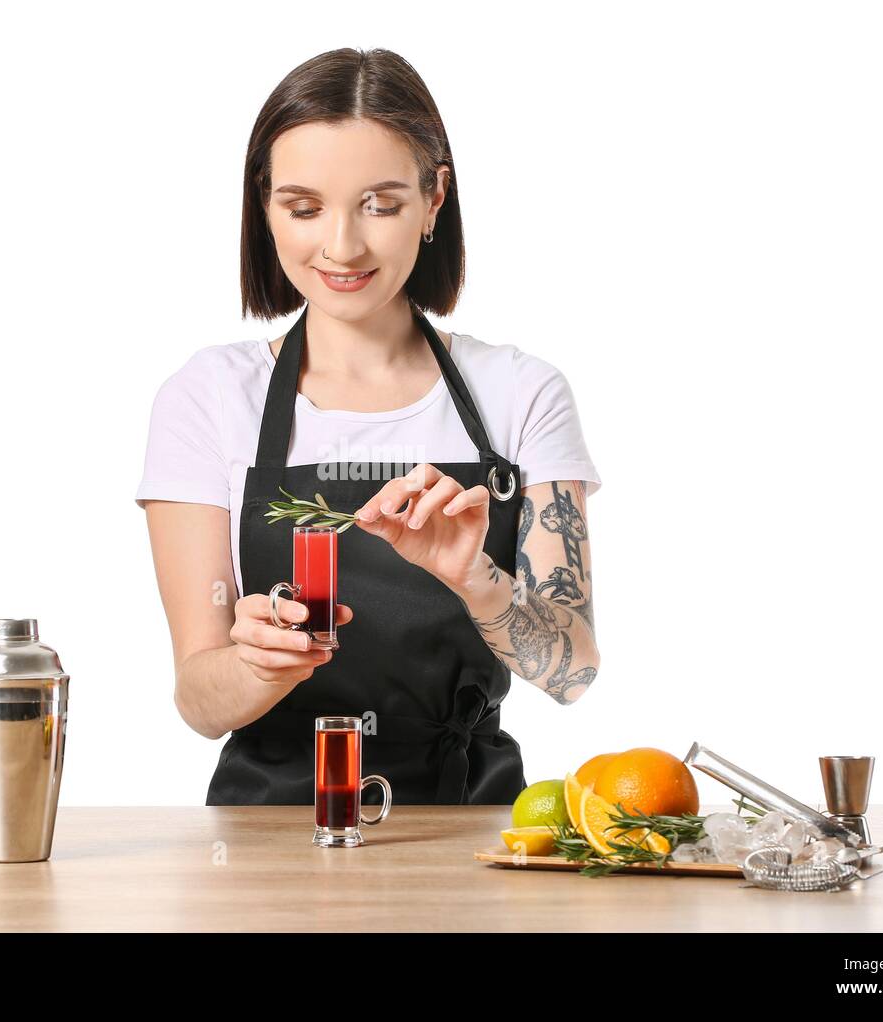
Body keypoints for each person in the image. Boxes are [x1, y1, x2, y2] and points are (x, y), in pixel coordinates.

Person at [136, 47, 602, 805]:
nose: (342, 246)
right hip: (270, 836)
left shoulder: (520, 392)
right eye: (304, 206)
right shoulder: (209, 396)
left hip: (470, 834)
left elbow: (573, 670)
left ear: (433, 197)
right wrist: (255, 664)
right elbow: (199, 699)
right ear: (264, 206)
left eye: (380, 204)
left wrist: (476, 578)